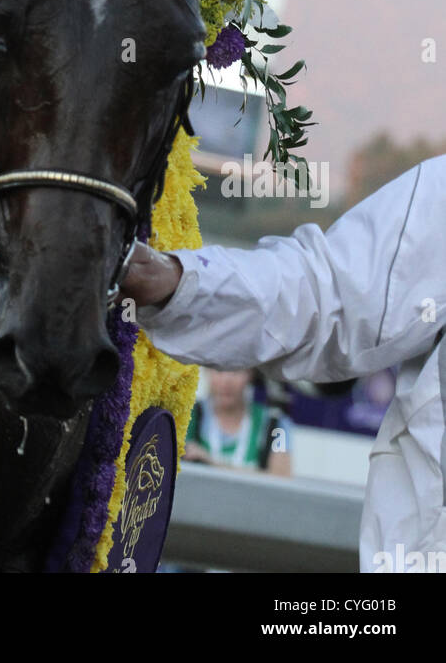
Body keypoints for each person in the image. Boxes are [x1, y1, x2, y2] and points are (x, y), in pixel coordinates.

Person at [121, 155, 446, 572]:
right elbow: (331, 298)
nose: (224, 382)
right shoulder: (204, 420)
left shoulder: (275, 429)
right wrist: (180, 284)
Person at [185, 368, 292, 476]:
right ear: (206, 371)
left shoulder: (277, 424)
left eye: (236, 370)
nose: (226, 381)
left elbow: (281, 477)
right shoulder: (188, 415)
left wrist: (210, 462)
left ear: (251, 374)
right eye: (218, 369)